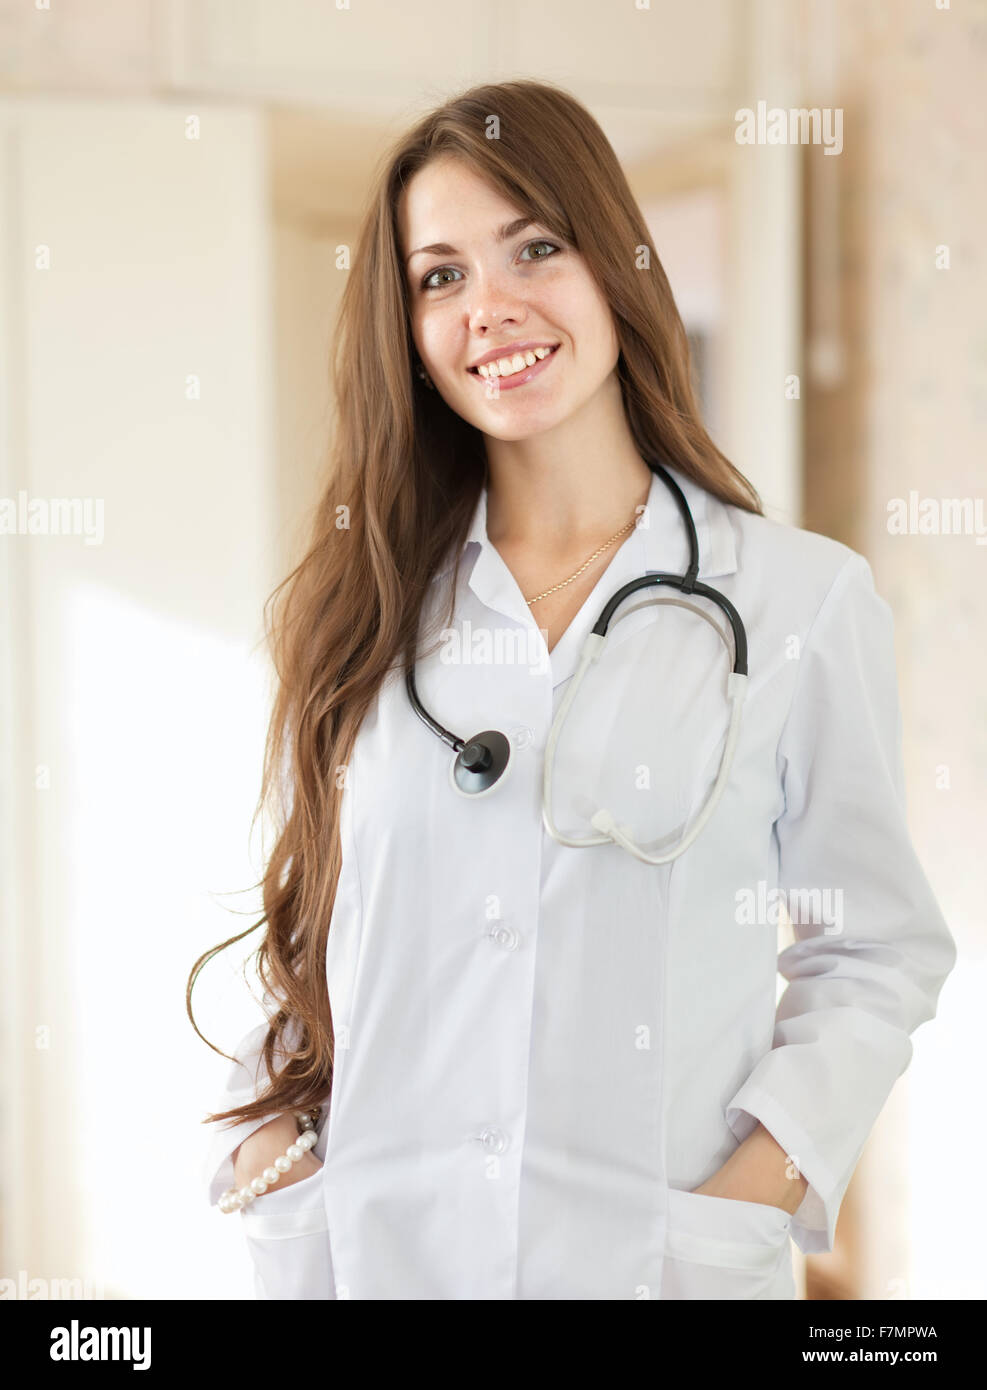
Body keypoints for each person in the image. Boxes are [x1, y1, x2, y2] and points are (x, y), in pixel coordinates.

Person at [187, 78, 956, 1301]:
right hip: (382, 1264)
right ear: (409, 330)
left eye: (534, 246)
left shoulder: (798, 601)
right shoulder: (363, 612)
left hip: (653, 1272)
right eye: (439, 275)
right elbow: (303, 931)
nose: (491, 307)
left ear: (614, 263)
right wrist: (280, 1173)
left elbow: (876, 952)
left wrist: (743, 1200)